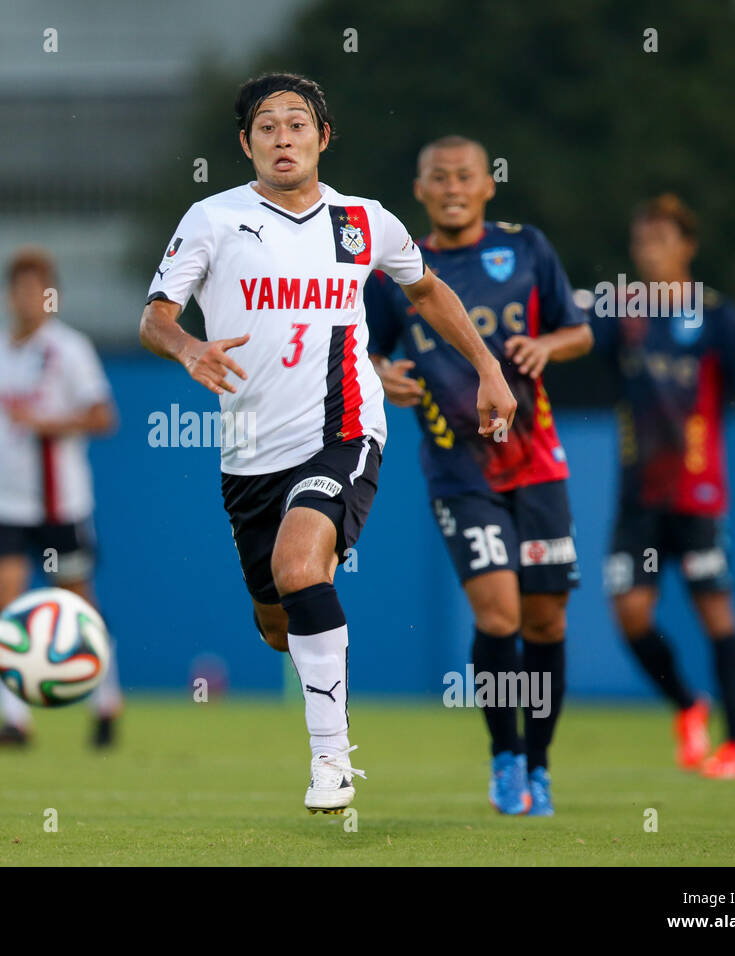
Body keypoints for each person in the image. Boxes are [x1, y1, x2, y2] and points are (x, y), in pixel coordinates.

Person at [139, 76, 515, 813]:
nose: (284, 138)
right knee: (276, 618)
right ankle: (301, 643)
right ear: (245, 144)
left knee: (299, 562)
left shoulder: (363, 221)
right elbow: (155, 316)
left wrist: (487, 366)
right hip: (248, 454)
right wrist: (188, 348)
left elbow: (426, 288)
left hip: (342, 433)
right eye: (267, 127)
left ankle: (331, 761)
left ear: (323, 137)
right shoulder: (212, 220)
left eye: (297, 125)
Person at [364, 135, 593, 816]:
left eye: (465, 176)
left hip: (537, 463)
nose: (453, 187)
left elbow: (578, 331)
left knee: (546, 621)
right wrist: (383, 375)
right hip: (458, 468)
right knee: (498, 613)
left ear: (488, 183)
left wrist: (546, 343)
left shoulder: (526, 249)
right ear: (419, 190)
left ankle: (539, 764)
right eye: (439, 177)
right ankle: (503, 757)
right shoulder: (398, 271)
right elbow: (367, 348)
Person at [587, 194, 735, 779]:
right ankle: (688, 704)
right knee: (630, 613)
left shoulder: (717, 316)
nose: (649, 251)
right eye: (641, 240)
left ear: (687, 246)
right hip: (637, 498)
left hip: (698, 495)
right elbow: (573, 340)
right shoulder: (621, 313)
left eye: (661, 239)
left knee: (717, 613)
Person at [0, 246, 124, 748]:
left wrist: (51, 423)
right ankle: (15, 719)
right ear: (9, 295)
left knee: (78, 605)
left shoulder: (69, 349)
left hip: (59, 502)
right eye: (22, 290)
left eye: (41, 290)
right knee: (2, 606)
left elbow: (103, 416)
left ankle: (106, 703)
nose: (31, 300)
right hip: (1, 501)